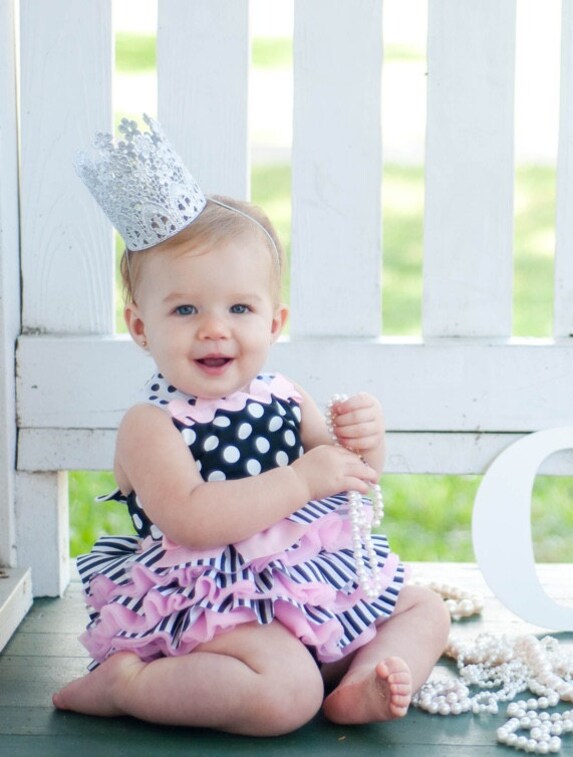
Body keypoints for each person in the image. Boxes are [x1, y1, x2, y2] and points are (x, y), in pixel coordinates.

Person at [52, 116, 450, 736]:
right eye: (185, 309)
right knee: (284, 696)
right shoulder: (151, 423)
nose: (215, 328)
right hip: (213, 605)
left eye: (239, 308)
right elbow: (191, 517)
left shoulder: (285, 394)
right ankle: (129, 686)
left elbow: (350, 476)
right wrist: (298, 482)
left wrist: (364, 441)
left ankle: (363, 682)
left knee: (424, 607)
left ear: (273, 321)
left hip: (306, 580)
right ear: (139, 328)